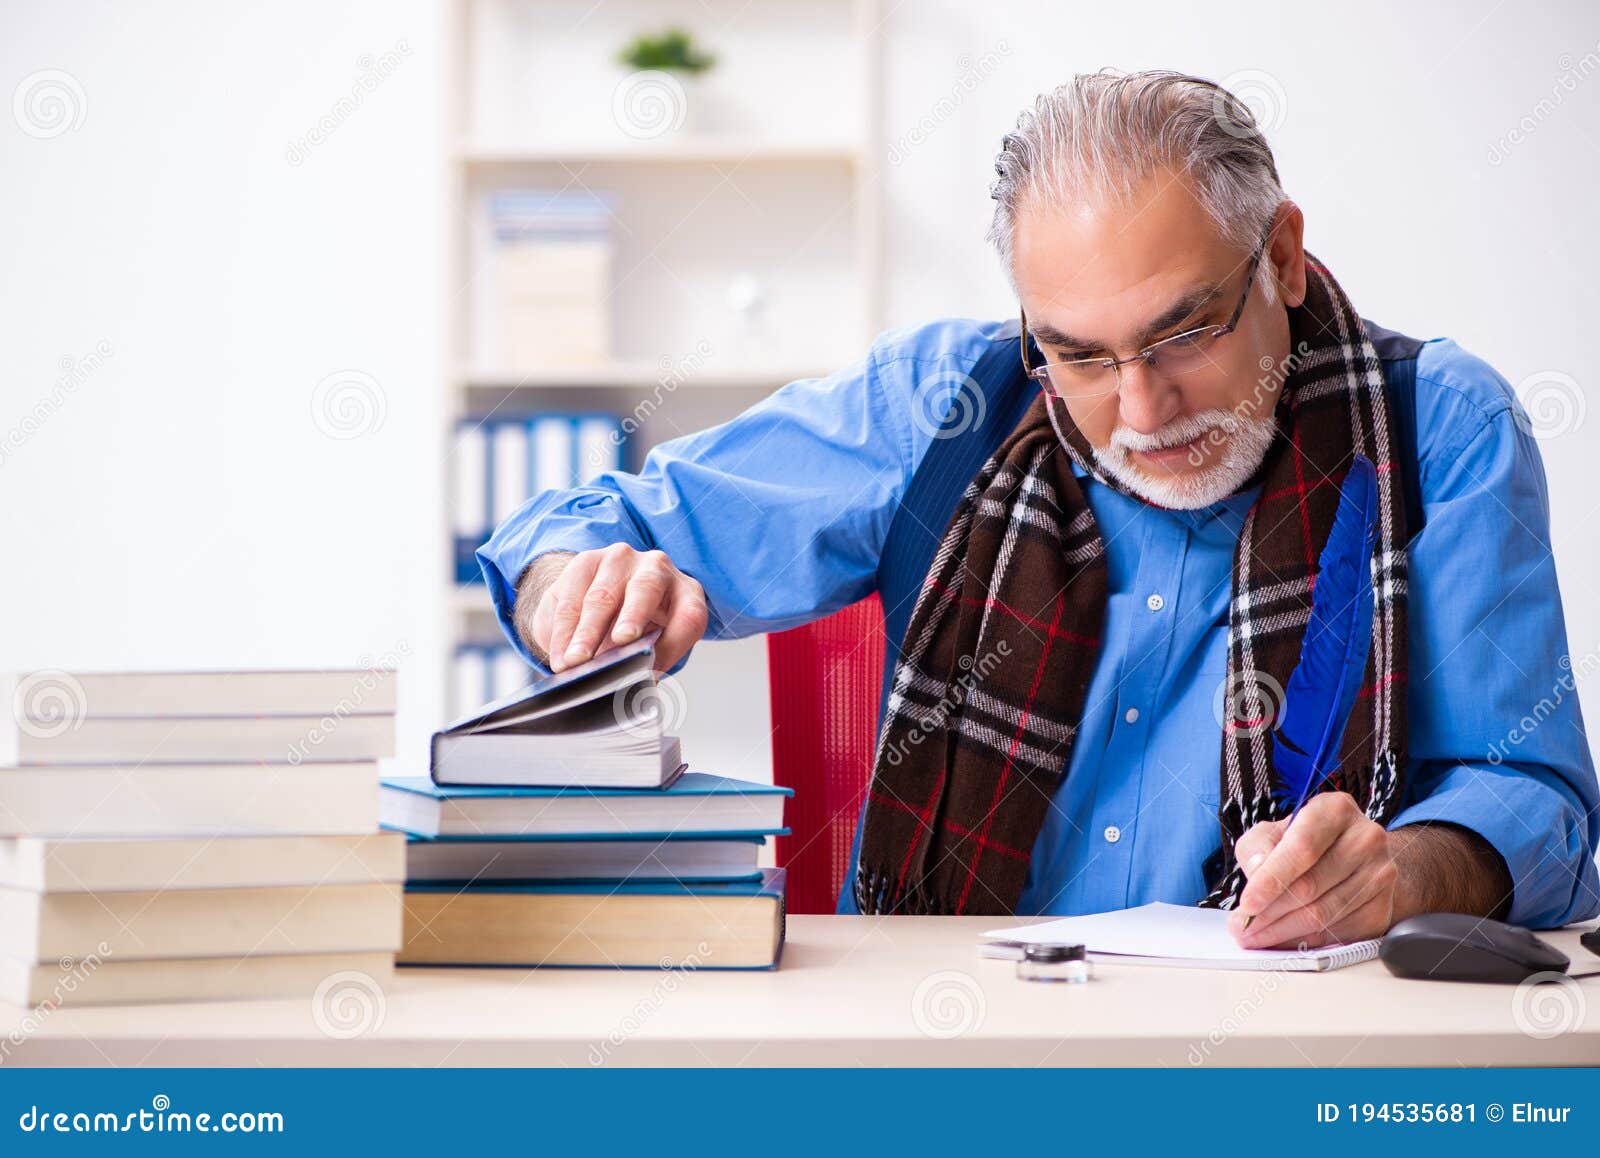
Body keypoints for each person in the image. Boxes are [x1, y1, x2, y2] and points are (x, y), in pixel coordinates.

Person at [477, 70, 1600, 946]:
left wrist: (1405, 875)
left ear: (1285, 258)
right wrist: (573, 584)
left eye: (1184, 332)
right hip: (949, 1054)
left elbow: (1527, 795)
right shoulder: (943, 404)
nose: (1142, 408)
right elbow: (578, 527)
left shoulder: (1437, 423)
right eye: (1079, 354)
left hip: (1284, 1054)